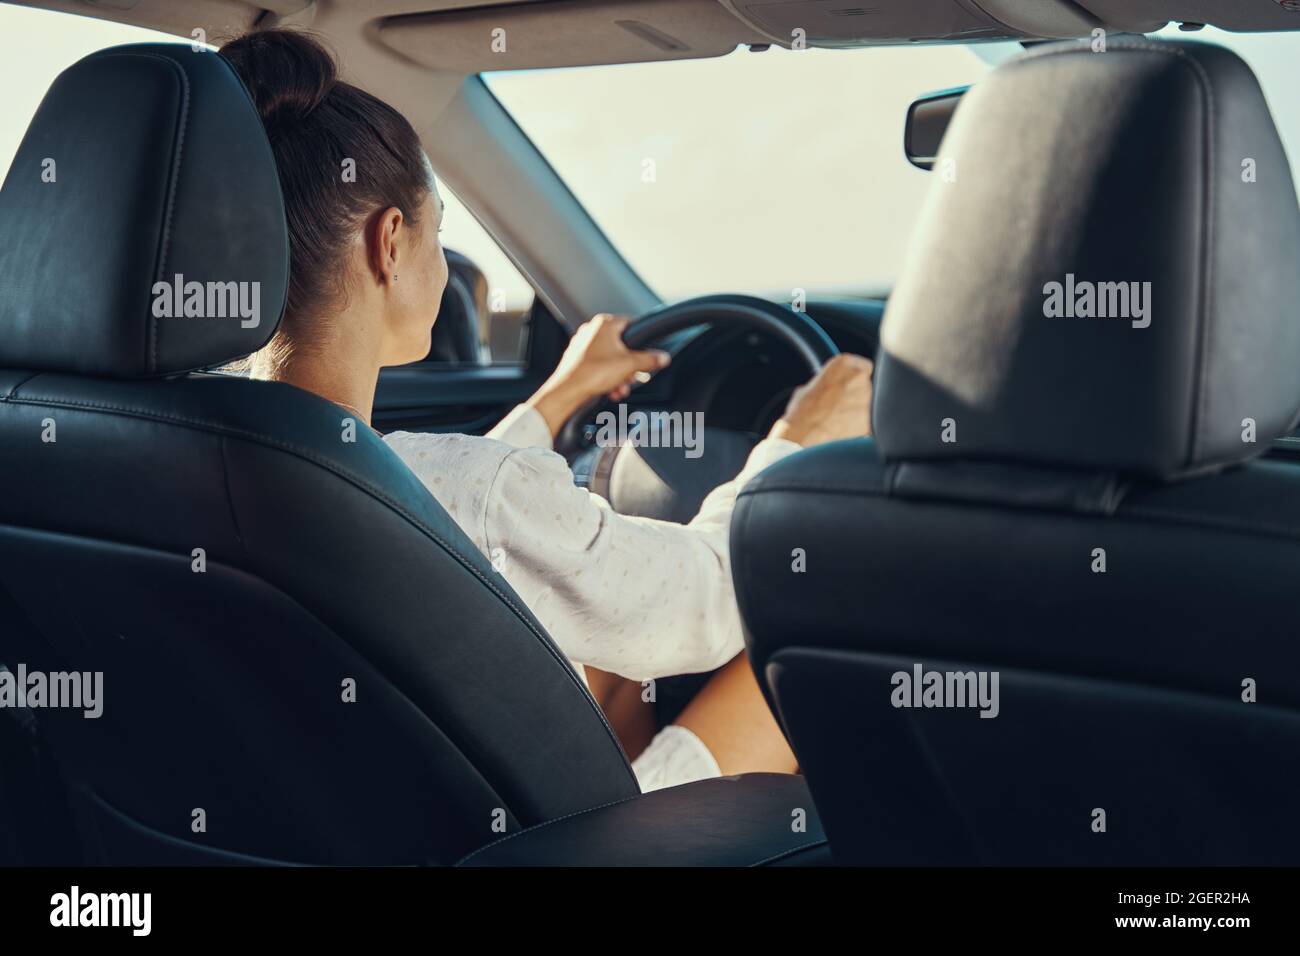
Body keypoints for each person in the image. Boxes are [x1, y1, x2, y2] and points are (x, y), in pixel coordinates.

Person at [219, 29, 872, 791]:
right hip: (529, 844)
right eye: (440, 231)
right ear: (389, 244)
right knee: (804, 628)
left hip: (342, 816)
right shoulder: (475, 494)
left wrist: (559, 397)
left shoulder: (172, 450)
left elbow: (439, 510)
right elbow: (702, 606)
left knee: (605, 650)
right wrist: (795, 442)